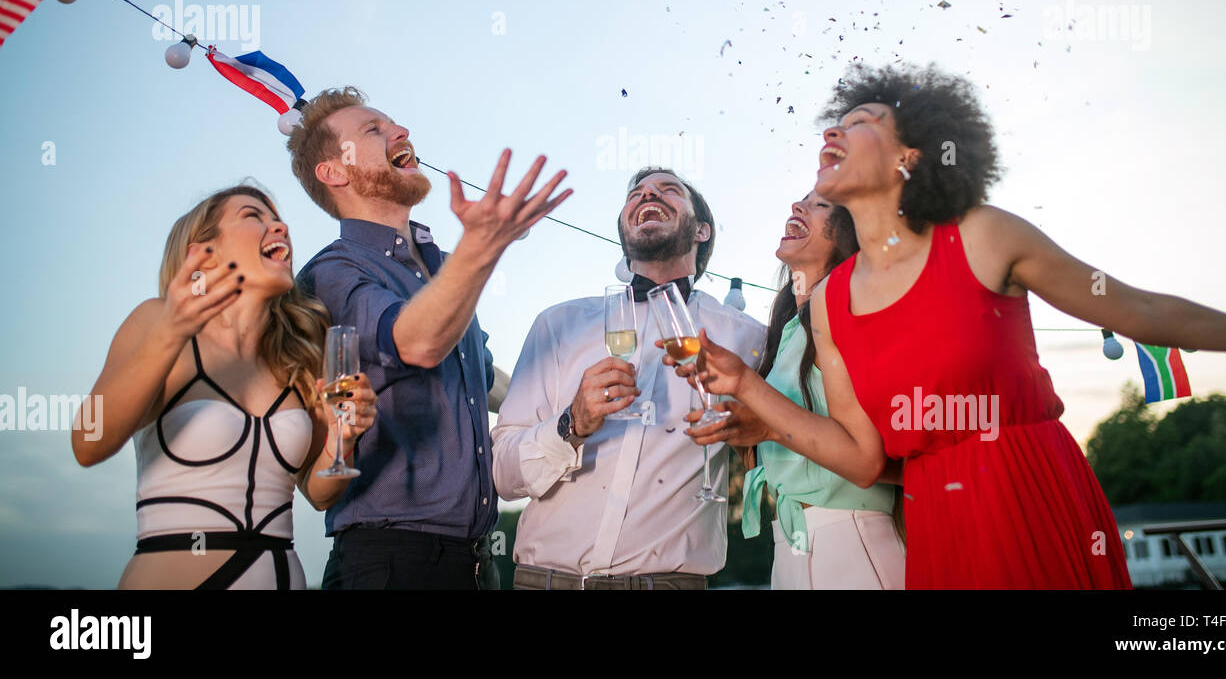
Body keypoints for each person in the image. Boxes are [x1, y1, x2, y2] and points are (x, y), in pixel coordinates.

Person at [679, 62, 1226, 588]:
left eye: (861, 122)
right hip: (936, 525)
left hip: (1032, 491)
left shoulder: (980, 235)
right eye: (836, 123)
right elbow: (863, 459)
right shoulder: (832, 303)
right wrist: (742, 383)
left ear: (910, 156)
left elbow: (1144, 313)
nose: (833, 132)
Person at [289, 87, 570, 589]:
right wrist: (481, 249)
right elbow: (415, 343)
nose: (401, 132)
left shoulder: (437, 266)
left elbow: (483, 380)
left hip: (477, 563)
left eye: (394, 124)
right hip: (389, 563)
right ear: (334, 171)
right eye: (374, 129)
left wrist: (569, 415)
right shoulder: (333, 271)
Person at [72, 184, 377, 589]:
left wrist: (343, 439)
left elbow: (320, 493)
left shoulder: (296, 355)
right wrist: (171, 333)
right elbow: (88, 444)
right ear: (204, 251)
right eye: (254, 216)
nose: (280, 226)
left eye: (277, 218)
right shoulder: (155, 321)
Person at [492, 166, 767, 589]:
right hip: (543, 581)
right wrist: (571, 424)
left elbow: (780, 448)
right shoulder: (558, 325)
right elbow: (503, 477)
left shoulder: (747, 337)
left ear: (702, 231)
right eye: (636, 193)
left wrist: (750, 431)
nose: (647, 194)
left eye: (668, 190)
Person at [685, 188, 906, 589]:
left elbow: (881, 457)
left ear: (850, 237)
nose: (797, 206)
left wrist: (754, 398)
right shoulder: (785, 333)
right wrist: (741, 430)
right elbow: (779, 464)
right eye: (802, 199)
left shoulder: (852, 312)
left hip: (852, 544)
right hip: (787, 546)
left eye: (820, 204)